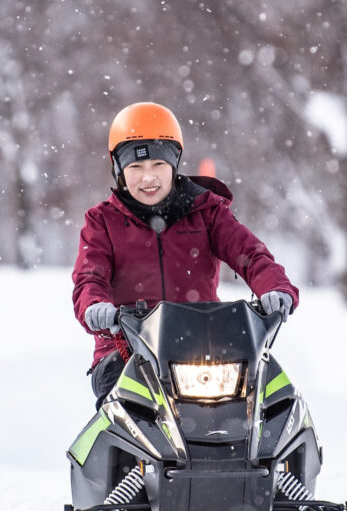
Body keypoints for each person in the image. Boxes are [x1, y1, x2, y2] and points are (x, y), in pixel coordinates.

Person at [72, 101, 299, 405]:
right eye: (136, 167)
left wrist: (275, 287)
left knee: (269, 400)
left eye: (158, 165)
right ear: (119, 170)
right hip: (126, 350)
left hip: (206, 348)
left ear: (174, 164)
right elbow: (89, 278)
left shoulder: (207, 212)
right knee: (128, 410)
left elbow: (252, 255)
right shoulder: (101, 222)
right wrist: (96, 306)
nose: (148, 178)